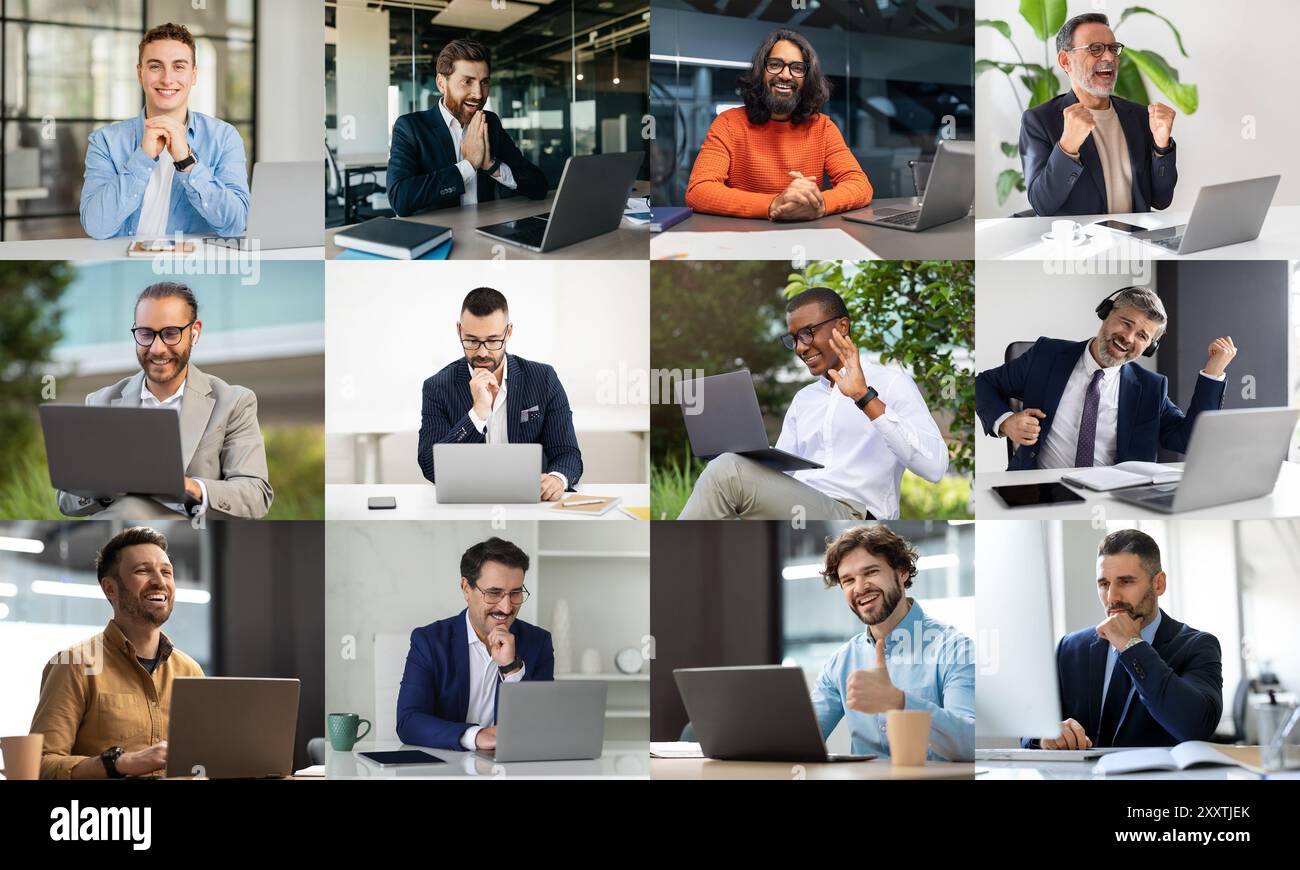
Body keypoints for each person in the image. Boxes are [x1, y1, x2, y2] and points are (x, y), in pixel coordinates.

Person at [679, 287, 947, 520]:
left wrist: (863, 397)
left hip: (855, 514)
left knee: (727, 472)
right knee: (728, 470)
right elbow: (784, 476)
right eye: (794, 338)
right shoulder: (803, 400)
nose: (799, 348)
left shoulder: (891, 383)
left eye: (807, 333)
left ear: (842, 327)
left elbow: (934, 468)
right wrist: (747, 457)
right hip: (799, 507)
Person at [55, 281, 273, 520]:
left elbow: (256, 495)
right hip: (116, 523)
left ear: (194, 332)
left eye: (170, 333)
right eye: (146, 334)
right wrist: (107, 489)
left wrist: (190, 486)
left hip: (189, 527)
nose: (157, 348)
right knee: (128, 509)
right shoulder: (100, 401)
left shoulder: (234, 402)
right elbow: (66, 500)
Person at [976, 285, 1236, 470]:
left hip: (1115, 496)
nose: (1129, 338)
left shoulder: (1150, 388)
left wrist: (1213, 374)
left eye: (1143, 336)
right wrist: (1006, 422)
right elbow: (983, 384)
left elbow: (1191, 439)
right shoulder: (1047, 355)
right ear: (1105, 314)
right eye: (1126, 323)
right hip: (1041, 489)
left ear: (1150, 348)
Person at [30, 526, 204, 779]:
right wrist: (120, 763)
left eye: (167, 572)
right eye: (143, 571)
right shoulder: (73, 664)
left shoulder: (190, 670)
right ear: (110, 588)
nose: (160, 581)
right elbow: (40, 765)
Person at [1027, 529, 1222, 749]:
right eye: (1104, 584)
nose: (1112, 597)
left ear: (1158, 584)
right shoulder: (1070, 648)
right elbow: (1030, 728)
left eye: (1126, 582)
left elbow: (1195, 727)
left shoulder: (1198, 646)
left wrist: (1132, 645)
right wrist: (1046, 735)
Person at [810, 525, 975, 762]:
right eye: (848, 580)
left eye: (870, 572)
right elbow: (803, 740)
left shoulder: (955, 649)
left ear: (902, 572)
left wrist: (900, 702)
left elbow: (969, 744)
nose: (860, 587)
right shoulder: (840, 662)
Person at [80, 22, 249, 239]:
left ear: (194, 75)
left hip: (190, 267)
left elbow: (236, 224)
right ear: (140, 74)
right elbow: (96, 226)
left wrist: (187, 162)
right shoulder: (105, 141)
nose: (167, 79)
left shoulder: (224, 138)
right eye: (155, 66)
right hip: (124, 265)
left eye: (179, 66)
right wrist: (142, 158)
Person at [684, 29, 871, 221]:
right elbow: (699, 190)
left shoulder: (823, 127)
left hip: (807, 237)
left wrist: (820, 204)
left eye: (797, 68)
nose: (785, 75)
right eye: (775, 65)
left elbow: (859, 185)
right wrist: (774, 204)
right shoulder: (728, 123)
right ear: (760, 72)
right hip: (742, 240)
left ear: (807, 79)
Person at [417, 286, 582, 501]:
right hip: (465, 503)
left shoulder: (543, 379)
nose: (483, 352)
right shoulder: (437, 387)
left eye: (494, 340)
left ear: (509, 332)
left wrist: (557, 478)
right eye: (472, 340)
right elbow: (431, 467)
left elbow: (568, 453)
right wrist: (477, 414)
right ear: (459, 331)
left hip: (530, 503)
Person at [395, 537, 555, 752]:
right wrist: (477, 736)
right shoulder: (429, 641)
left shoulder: (539, 642)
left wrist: (511, 669)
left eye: (515, 593)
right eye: (494, 593)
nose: (506, 607)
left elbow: (543, 725)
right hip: (445, 767)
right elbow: (409, 722)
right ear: (466, 589)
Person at [1019, 12, 1177, 217]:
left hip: (1137, 245)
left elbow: (1161, 200)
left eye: (1113, 48)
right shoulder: (1039, 121)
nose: (1109, 57)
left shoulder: (1138, 116)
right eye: (1095, 49)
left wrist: (1162, 147)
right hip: (1081, 247)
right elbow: (1042, 205)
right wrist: (1067, 148)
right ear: (1065, 61)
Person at [386, 39, 547, 216]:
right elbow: (400, 199)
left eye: (484, 82)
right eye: (467, 82)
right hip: (438, 236)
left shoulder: (489, 122)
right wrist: (469, 165)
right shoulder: (411, 127)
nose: (478, 94)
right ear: (441, 83)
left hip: (487, 232)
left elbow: (539, 186)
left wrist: (490, 165)